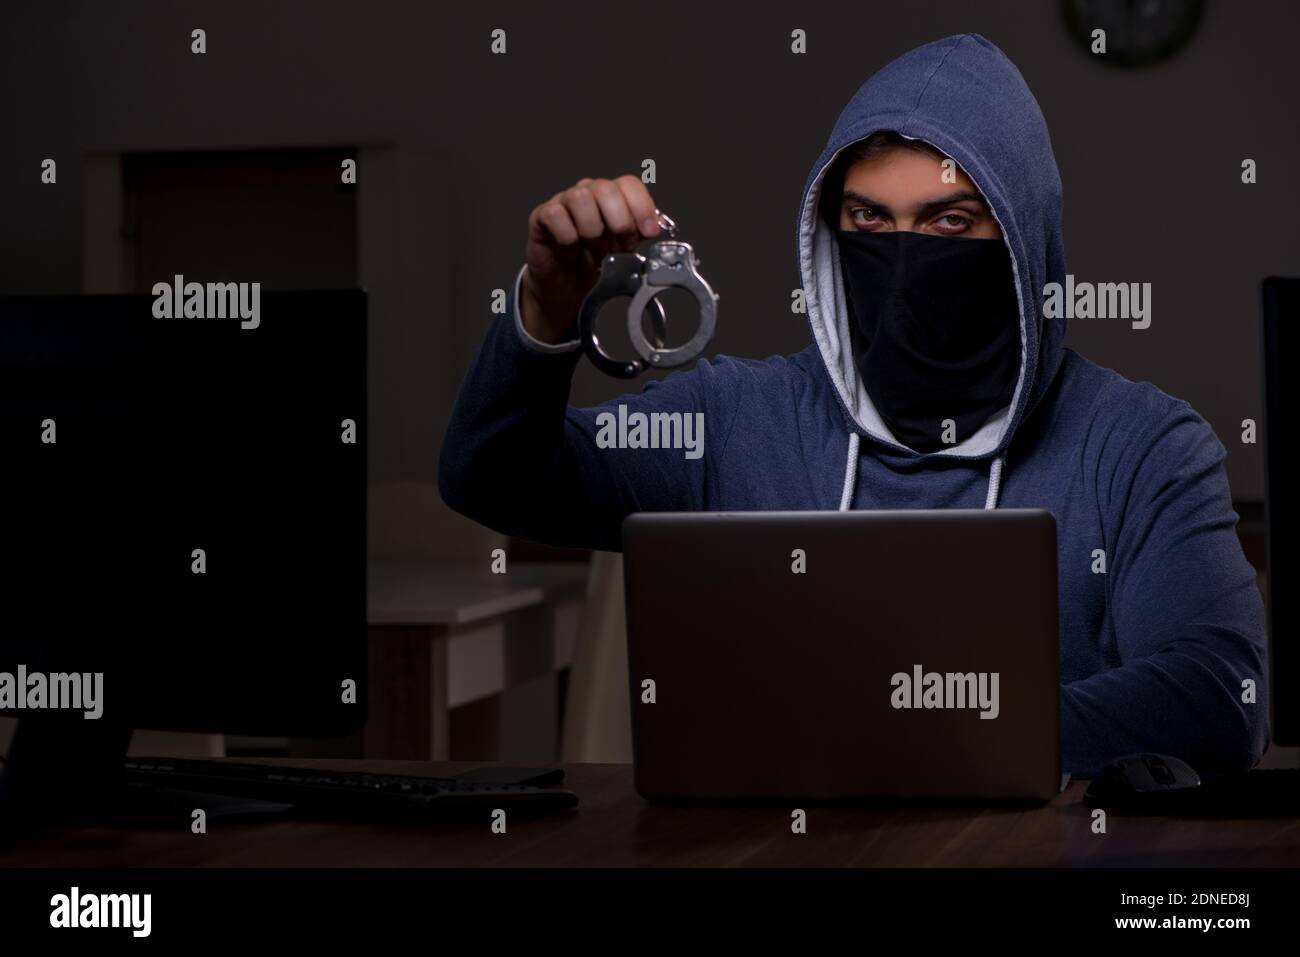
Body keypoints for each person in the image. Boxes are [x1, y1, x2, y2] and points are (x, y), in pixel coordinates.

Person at [439, 33, 1267, 777]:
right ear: (830, 236)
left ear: (1024, 248)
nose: (903, 259)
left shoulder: (1142, 446)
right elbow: (493, 479)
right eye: (869, 218)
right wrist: (546, 309)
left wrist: (919, 727)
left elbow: (1221, 692)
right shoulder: (732, 420)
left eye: (949, 223)